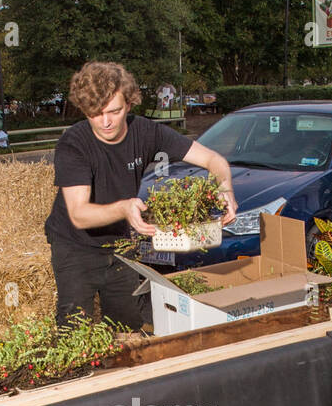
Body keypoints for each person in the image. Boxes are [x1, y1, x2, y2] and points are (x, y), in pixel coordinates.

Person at [44, 60, 237, 329]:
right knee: (73, 325)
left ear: (130, 104)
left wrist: (224, 187)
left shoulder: (146, 132)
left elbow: (213, 159)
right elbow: (79, 215)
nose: (106, 121)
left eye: (114, 111)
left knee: (128, 324)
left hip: (121, 246)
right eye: (95, 114)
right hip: (75, 245)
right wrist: (125, 208)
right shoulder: (74, 144)